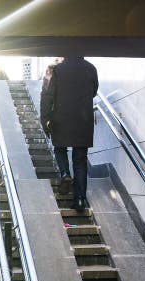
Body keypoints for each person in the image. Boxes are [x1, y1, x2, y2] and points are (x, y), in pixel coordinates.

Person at [39, 57, 98, 211]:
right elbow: (94, 91)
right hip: (83, 120)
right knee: (80, 160)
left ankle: (65, 173)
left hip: (61, 117)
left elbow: (47, 95)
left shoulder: (56, 69)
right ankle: (79, 200)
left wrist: (45, 118)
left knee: (59, 148)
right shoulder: (91, 68)